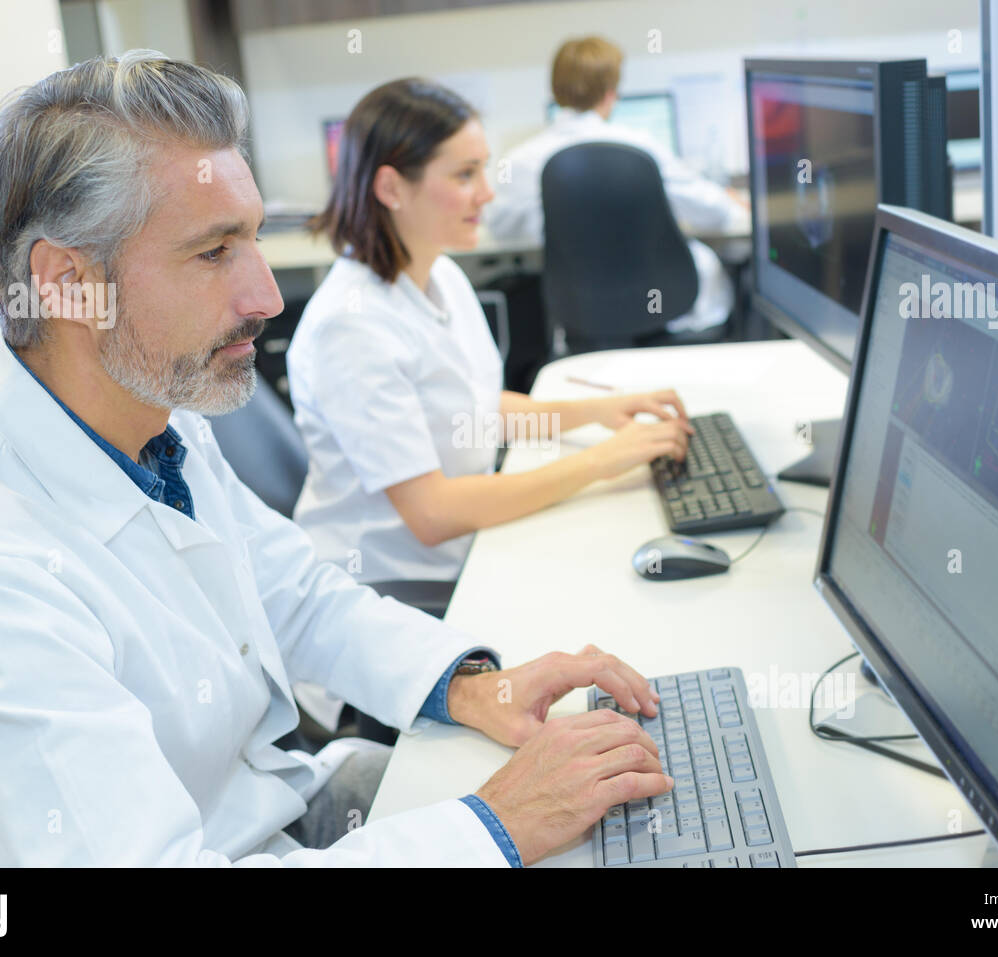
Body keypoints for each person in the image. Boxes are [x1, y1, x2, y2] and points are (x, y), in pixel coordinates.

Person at [0, 51, 673, 867]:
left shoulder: (146, 418)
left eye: (252, 238)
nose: (267, 297)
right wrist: (493, 827)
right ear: (68, 283)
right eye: (214, 253)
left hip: (281, 815)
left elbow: (297, 595)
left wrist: (464, 686)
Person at [287, 78, 696, 729]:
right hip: (396, 598)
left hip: (457, 559)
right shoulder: (351, 325)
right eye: (467, 173)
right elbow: (432, 512)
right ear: (392, 188)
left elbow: (474, 405)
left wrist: (599, 412)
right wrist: (602, 463)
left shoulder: (439, 272)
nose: (488, 192)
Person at [485, 35, 750, 334]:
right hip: (666, 305)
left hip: (577, 309)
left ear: (556, 89)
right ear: (611, 93)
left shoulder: (522, 160)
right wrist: (727, 199)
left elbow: (499, 229)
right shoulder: (642, 147)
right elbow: (714, 212)